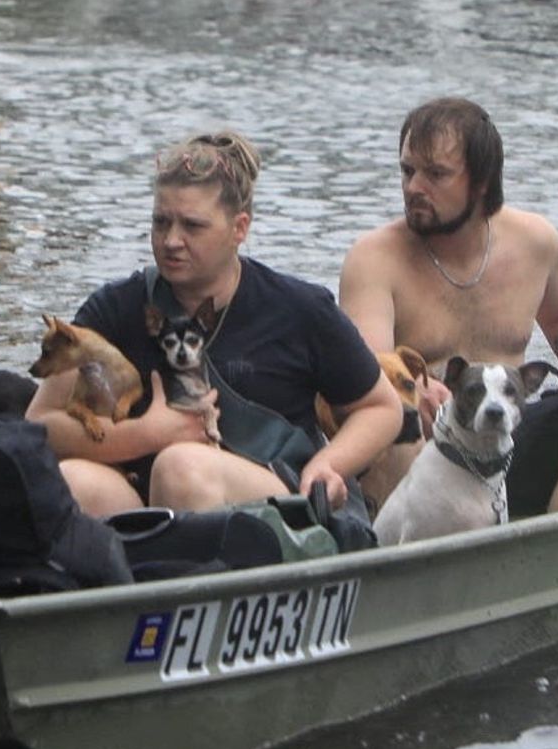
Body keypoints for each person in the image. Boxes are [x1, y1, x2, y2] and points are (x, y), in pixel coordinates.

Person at [28, 132, 402, 518]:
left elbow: (380, 408)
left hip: (273, 494)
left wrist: (328, 465)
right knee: (72, 481)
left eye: (192, 226)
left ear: (240, 228)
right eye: (161, 222)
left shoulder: (300, 308)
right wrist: (144, 436)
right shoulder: (113, 309)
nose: (171, 240)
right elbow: (40, 423)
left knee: (181, 468)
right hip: (145, 496)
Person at [338, 96, 558, 518]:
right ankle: (417, 572)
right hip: (430, 460)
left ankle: (556, 557)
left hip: (509, 441)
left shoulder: (533, 241)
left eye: (435, 174)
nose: (414, 187)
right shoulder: (373, 258)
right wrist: (415, 391)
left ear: (481, 181)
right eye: (407, 170)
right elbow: (370, 366)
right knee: (395, 428)